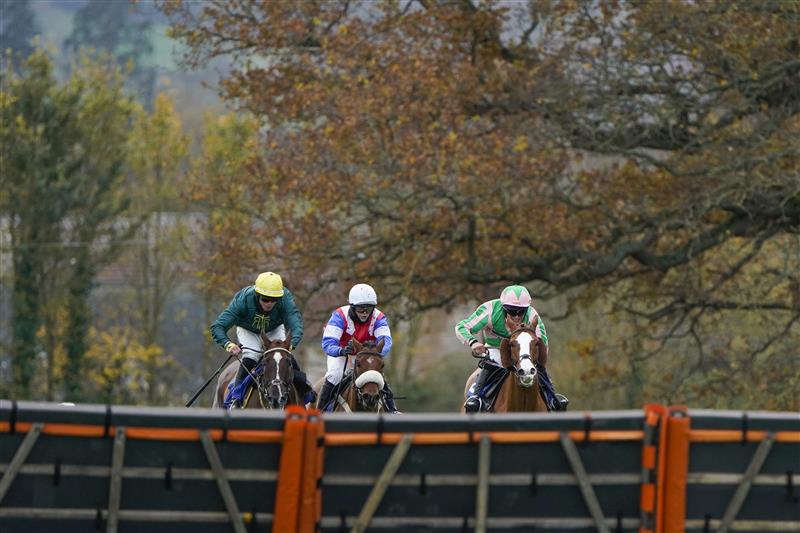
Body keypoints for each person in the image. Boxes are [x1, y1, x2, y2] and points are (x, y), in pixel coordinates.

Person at [455, 285, 569, 413]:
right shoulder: (490, 309)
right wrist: (473, 342)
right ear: (503, 307)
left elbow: (543, 343)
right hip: (495, 350)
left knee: (537, 368)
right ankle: (475, 399)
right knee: (491, 365)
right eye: (511, 310)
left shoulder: (532, 315)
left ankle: (553, 399)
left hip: (523, 351)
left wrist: (536, 360)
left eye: (521, 311)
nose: (516, 316)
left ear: (527, 309)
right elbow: (462, 327)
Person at [210, 271, 314, 409]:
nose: (270, 303)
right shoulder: (243, 300)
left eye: (274, 300)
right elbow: (218, 326)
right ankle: (236, 397)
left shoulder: (286, 299)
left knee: (284, 356)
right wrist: (228, 344)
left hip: (274, 328)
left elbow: (296, 325)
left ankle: (304, 394)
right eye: (265, 299)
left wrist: (291, 344)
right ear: (257, 295)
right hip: (249, 330)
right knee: (252, 357)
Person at [317, 283, 399, 413]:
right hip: (342, 353)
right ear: (352, 307)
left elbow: (386, 341)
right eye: (361, 309)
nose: (365, 313)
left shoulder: (378, 317)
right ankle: (320, 412)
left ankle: (392, 411)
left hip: (367, 355)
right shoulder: (339, 316)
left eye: (369, 308)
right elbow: (327, 344)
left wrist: (374, 353)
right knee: (335, 375)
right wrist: (341, 351)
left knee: (379, 377)